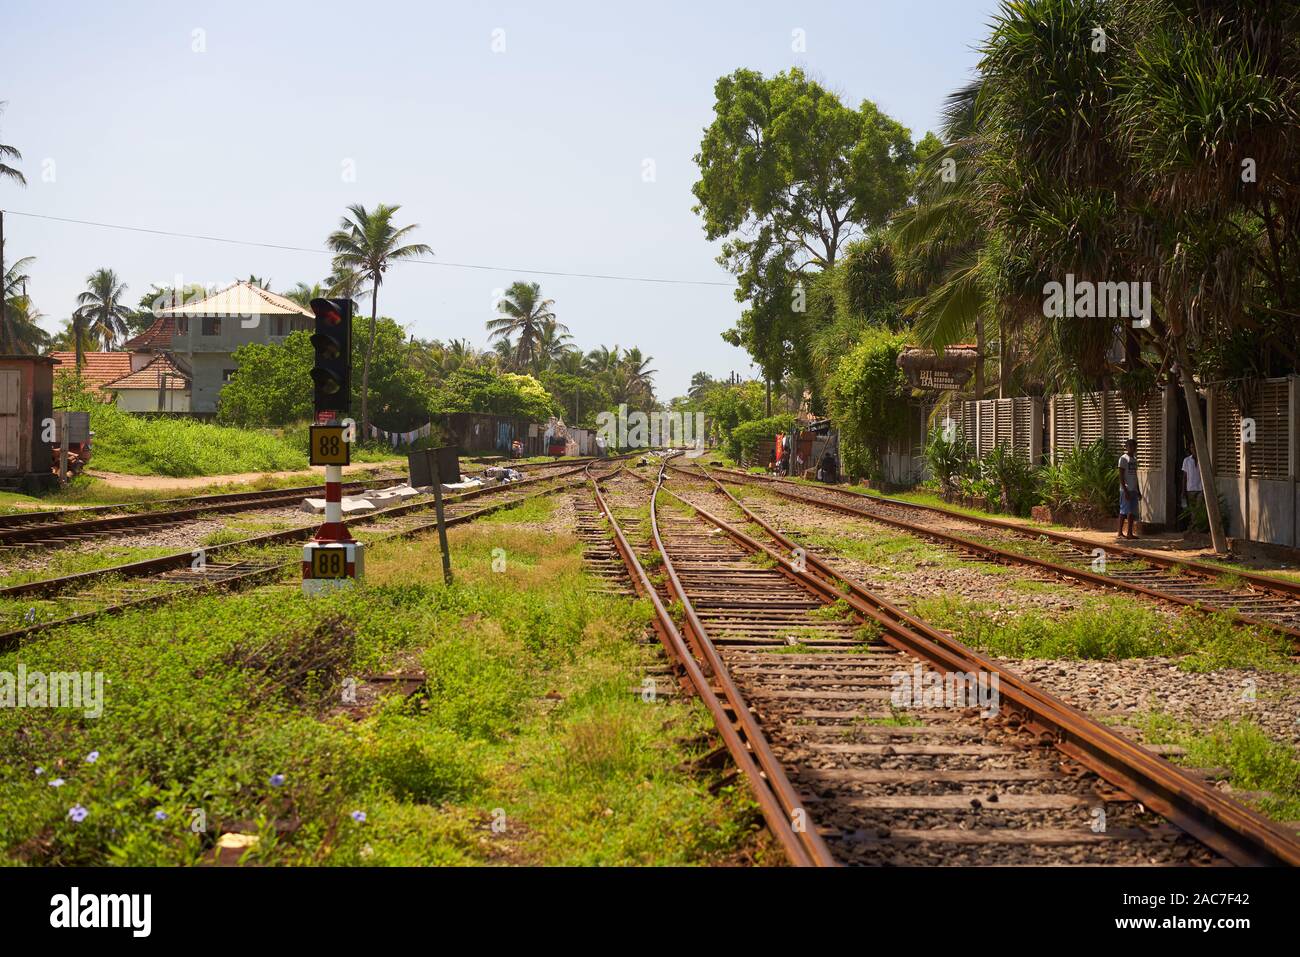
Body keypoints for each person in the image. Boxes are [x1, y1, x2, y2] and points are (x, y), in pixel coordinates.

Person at [1117, 438, 1140, 539]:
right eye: (1129, 446)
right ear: (1126, 447)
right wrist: (1125, 489)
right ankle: (1121, 532)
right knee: (1124, 511)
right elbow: (1121, 476)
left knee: (1132, 512)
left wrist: (1138, 490)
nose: (1131, 448)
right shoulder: (1123, 459)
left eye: (1133, 446)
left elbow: (1135, 476)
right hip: (1126, 489)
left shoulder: (1134, 460)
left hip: (1133, 489)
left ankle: (1129, 532)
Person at [1181, 446, 1203, 520]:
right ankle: (1193, 526)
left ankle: (1195, 526)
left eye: (1195, 447)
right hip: (1190, 488)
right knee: (1193, 510)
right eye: (1192, 448)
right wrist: (1183, 491)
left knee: (1199, 508)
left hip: (1200, 488)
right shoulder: (1186, 460)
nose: (1194, 449)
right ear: (1190, 449)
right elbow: (1184, 476)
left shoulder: (1202, 460)